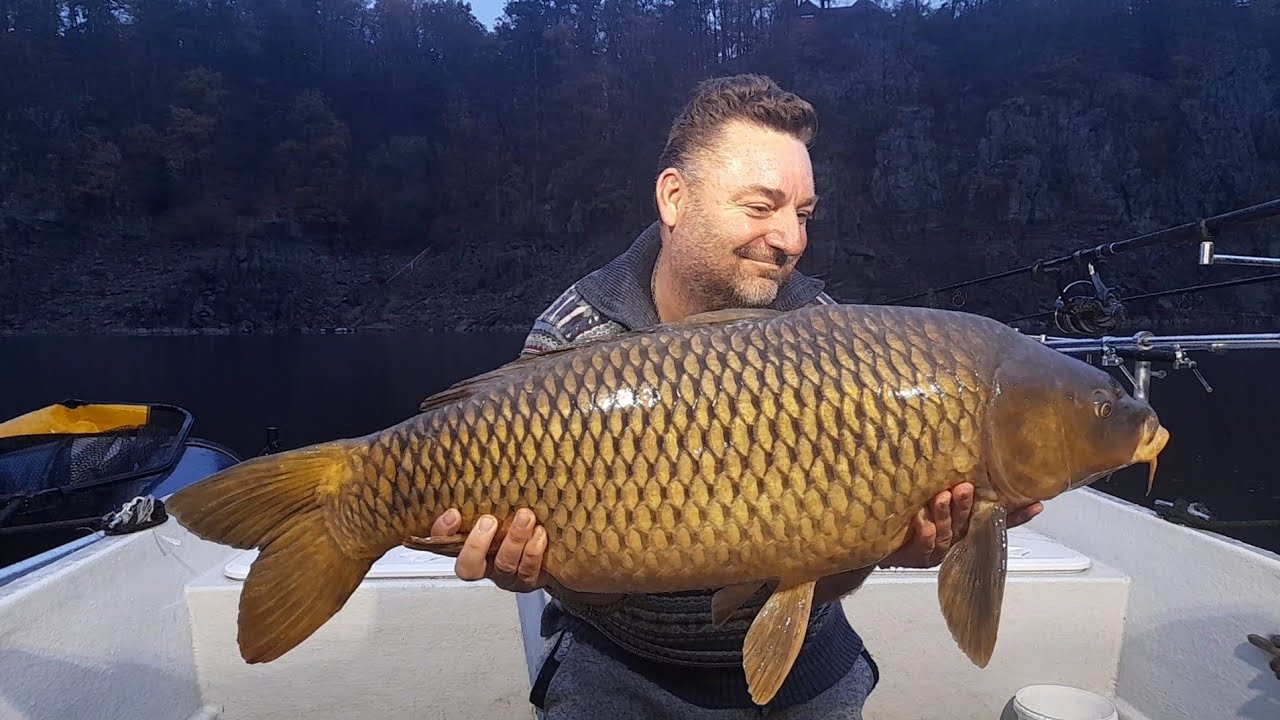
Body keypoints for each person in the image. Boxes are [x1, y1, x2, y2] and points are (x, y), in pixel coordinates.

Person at [426, 73, 1043, 718]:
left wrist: (893, 549)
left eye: (802, 215)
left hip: (803, 657)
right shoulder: (574, 337)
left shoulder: (841, 346)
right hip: (621, 664)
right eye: (760, 207)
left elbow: (827, 568)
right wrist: (540, 569)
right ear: (674, 198)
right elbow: (577, 580)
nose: (791, 240)